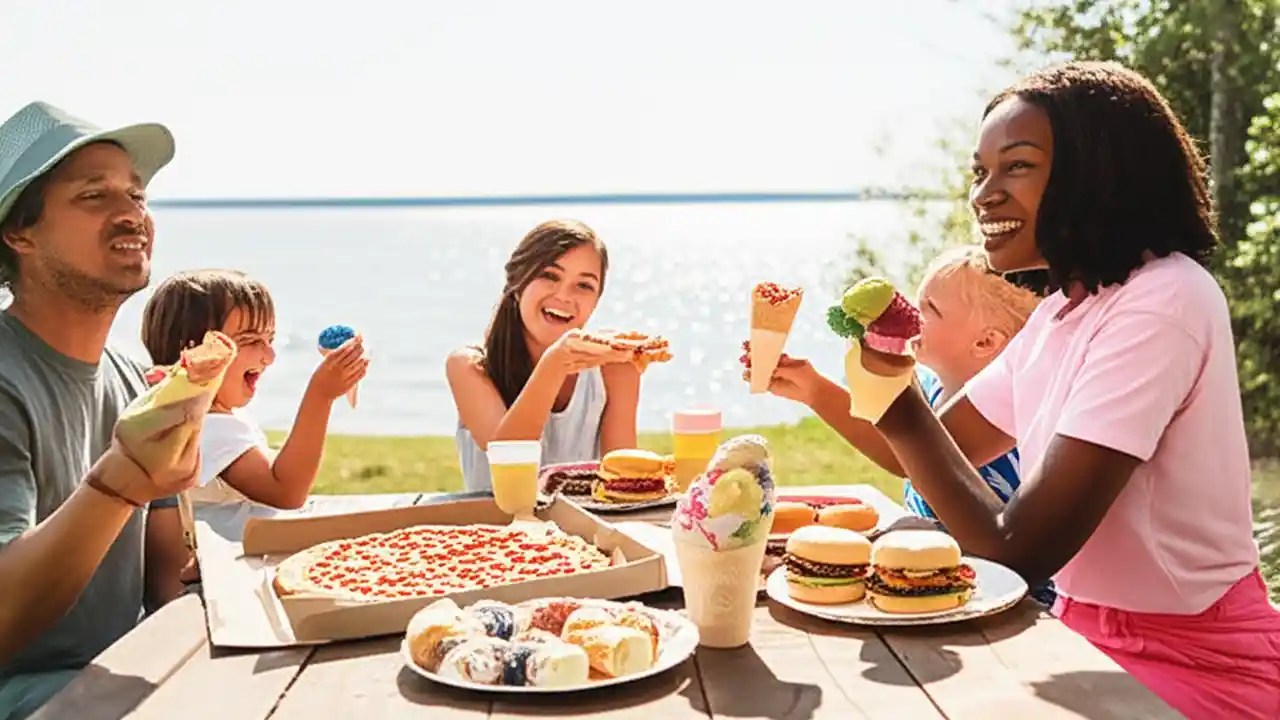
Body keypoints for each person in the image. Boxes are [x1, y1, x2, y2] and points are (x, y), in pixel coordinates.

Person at [846, 61, 1280, 718]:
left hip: (1197, 657)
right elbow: (942, 453)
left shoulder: (1165, 300)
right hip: (1081, 633)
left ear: (1099, 173)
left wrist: (900, 407)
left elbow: (1020, 550)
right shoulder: (1062, 311)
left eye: (1016, 166)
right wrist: (874, 378)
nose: (984, 194)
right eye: (980, 172)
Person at [0, 101, 198, 720]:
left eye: (136, 196)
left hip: (117, 669)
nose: (130, 214)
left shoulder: (137, 381)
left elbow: (167, 588)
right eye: (93, 196)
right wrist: (120, 484)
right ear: (20, 233)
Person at [139, 269, 369, 604]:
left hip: (235, 575)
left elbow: (273, 468)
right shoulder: (203, 423)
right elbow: (287, 490)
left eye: (270, 340)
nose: (269, 356)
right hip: (219, 595)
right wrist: (321, 396)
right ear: (194, 351)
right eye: (250, 341)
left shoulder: (215, 415)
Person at [446, 219, 642, 491]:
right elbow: (509, 460)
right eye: (549, 276)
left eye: (584, 285)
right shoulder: (469, 366)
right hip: (496, 530)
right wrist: (555, 363)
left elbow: (622, 484)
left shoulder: (615, 367)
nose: (564, 295)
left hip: (580, 532)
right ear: (517, 283)